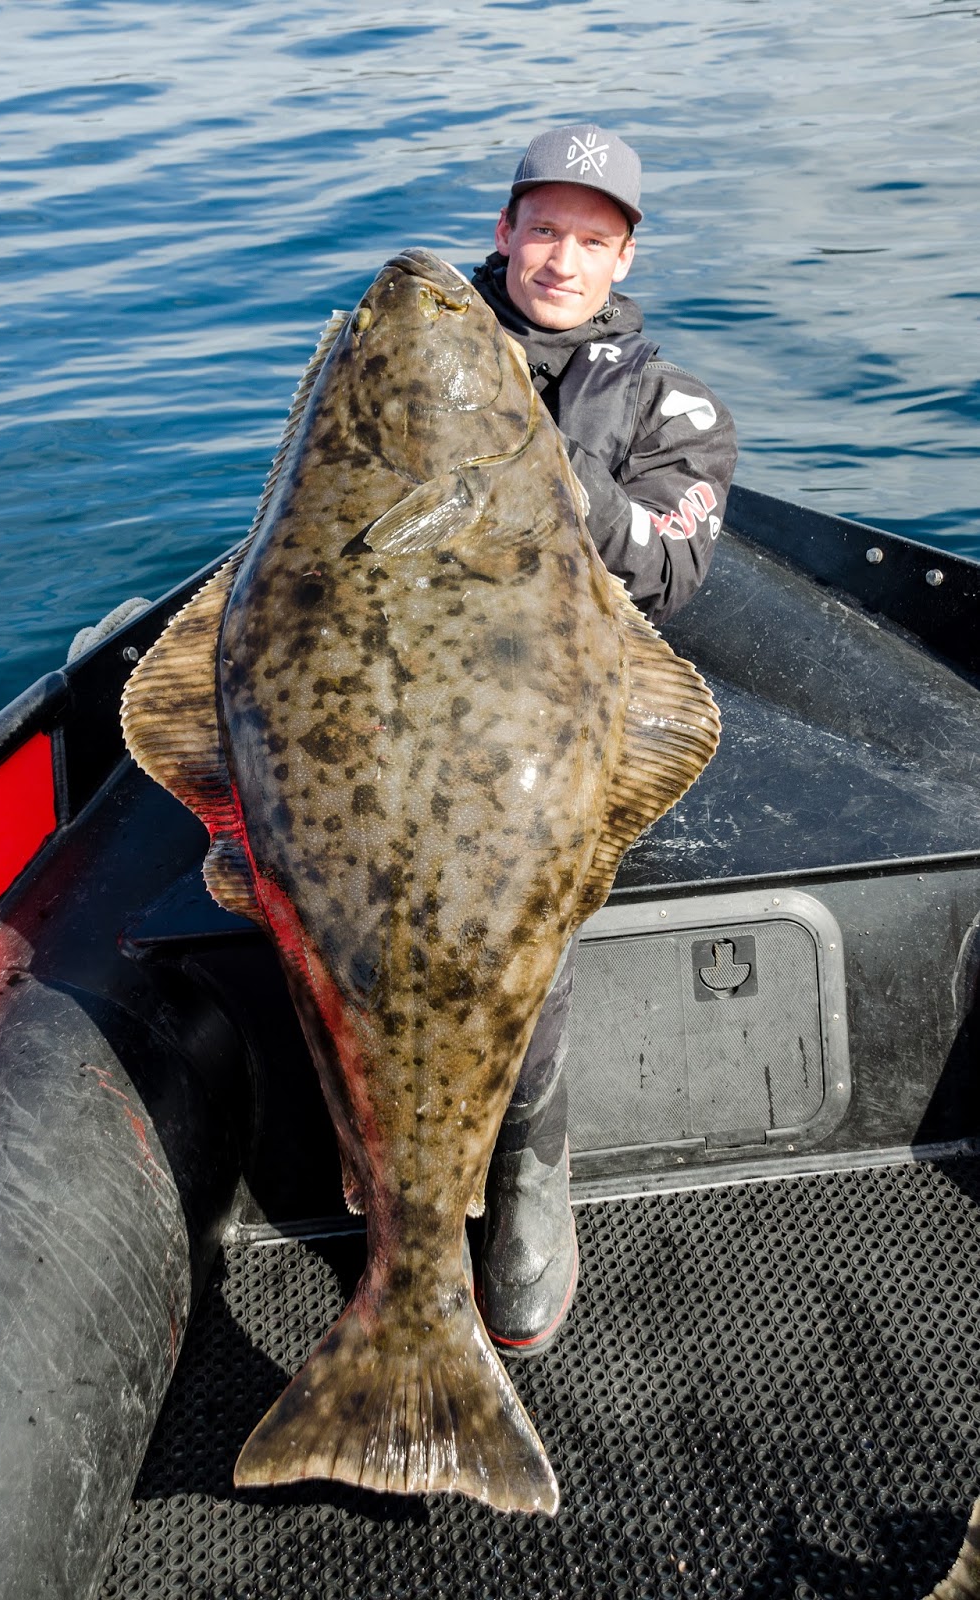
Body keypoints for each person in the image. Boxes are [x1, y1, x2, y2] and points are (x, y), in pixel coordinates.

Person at [471, 123, 737, 1358]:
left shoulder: (672, 404)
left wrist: (564, 480)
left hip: (560, 713)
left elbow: (675, 570)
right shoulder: (424, 356)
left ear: (624, 253)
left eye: (591, 240)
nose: (559, 261)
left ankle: (528, 1154)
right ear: (504, 232)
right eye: (542, 232)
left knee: (532, 916)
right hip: (413, 690)